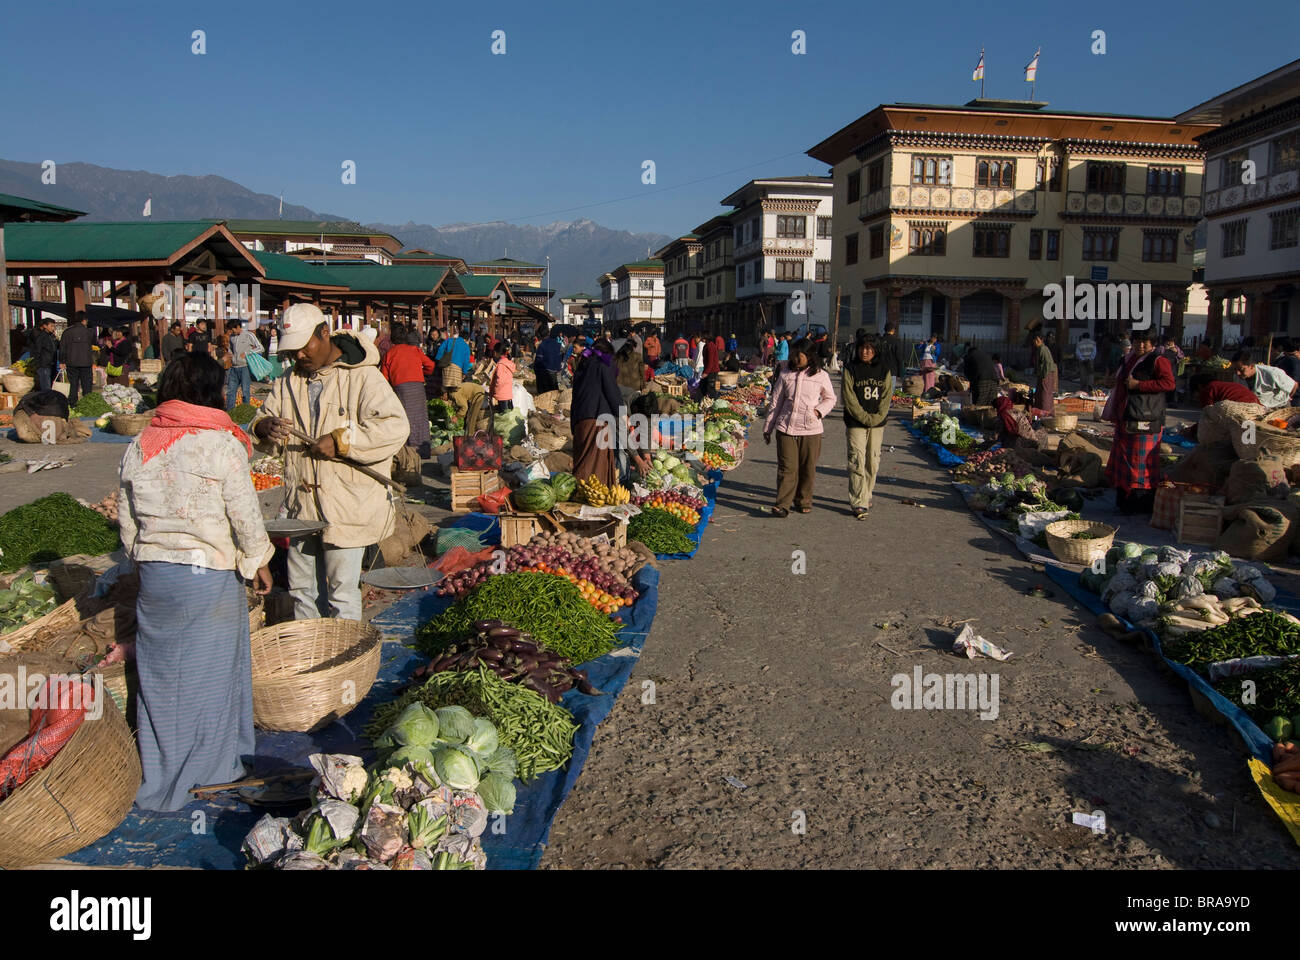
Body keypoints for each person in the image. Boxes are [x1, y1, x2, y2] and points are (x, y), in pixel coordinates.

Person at [118, 352, 273, 811]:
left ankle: (164, 770)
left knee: (162, 681)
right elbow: (244, 514)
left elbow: (128, 524)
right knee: (210, 677)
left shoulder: (140, 442)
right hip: (206, 578)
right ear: (212, 391)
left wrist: (143, 562)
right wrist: (259, 560)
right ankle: (213, 770)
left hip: (156, 579)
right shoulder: (220, 442)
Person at [250, 304, 408, 621]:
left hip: (346, 504)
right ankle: (311, 654)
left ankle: (344, 659)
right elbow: (261, 420)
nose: (298, 356)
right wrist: (263, 427)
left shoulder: (364, 377)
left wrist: (341, 441)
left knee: (341, 592)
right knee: (301, 590)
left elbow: (394, 427)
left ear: (324, 333)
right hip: (302, 504)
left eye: (303, 346)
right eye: (291, 350)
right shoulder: (287, 382)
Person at [1103, 329, 1175, 515]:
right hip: (1126, 416)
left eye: (1145, 342)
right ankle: (1124, 501)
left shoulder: (1158, 360)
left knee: (1140, 462)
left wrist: (1140, 385)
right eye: (1137, 341)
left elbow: (1169, 383)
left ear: (1153, 344)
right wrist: (1112, 382)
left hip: (1145, 418)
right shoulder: (1127, 359)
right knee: (1125, 460)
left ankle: (1139, 504)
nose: (1140, 345)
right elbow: (1122, 382)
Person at [763, 338, 835, 517]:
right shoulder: (785, 373)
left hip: (811, 429)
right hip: (785, 427)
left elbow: (830, 398)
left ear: (809, 356)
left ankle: (803, 500)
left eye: (799, 356)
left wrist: (818, 412)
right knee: (787, 467)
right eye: (793, 355)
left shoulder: (821, 375)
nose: (795, 359)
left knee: (807, 467)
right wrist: (768, 427)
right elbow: (776, 401)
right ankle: (783, 504)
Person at [843, 331, 893, 520]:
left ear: (875, 350)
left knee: (872, 461)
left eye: (869, 348)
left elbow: (887, 395)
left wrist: (878, 416)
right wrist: (864, 417)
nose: (865, 351)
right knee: (857, 459)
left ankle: (867, 494)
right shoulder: (850, 369)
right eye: (863, 348)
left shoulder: (884, 369)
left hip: (878, 423)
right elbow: (849, 398)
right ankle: (858, 501)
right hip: (856, 422)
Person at [570, 338, 622, 487]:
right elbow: (612, 391)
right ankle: (584, 493)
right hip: (597, 420)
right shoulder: (603, 364)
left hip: (581, 420)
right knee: (594, 465)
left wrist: (573, 424)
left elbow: (575, 395)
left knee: (582, 459)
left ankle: (579, 490)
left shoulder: (583, 365)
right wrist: (623, 414)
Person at [380, 325, 437, 458]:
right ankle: (422, 451)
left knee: (405, 419)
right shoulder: (414, 350)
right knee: (420, 418)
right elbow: (431, 365)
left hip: (401, 389)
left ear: (392, 338)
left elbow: (384, 377)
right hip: (418, 386)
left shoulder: (390, 353)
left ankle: (408, 452)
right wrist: (420, 372)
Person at [1231, 351, 1297, 410]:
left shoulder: (1272, 373)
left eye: (1241, 369)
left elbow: (1294, 385)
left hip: (1279, 407)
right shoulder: (1237, 377)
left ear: (1251, 366)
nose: (1237, 373)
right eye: (1234, 369)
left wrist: (1287, 398)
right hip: (1259, 409)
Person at [225, 318, 264, 410]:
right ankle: (230, 411)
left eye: (233, 329)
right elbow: (231, 348)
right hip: (234, 367)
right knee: (231, 391)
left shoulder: (249, 335)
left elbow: (260, 348)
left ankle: (246, 411)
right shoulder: (232, 337)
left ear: (238, 327)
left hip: (245, 367)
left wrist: (247, 353)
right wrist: (230, 354)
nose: (231, 331)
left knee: (245, 391)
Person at [60, 312, 94, 404]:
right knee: (86, 385)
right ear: (84, 320)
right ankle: (87, 404)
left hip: (71, 363)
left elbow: (62, 348)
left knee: (73, 385)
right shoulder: (89, 332)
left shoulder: (67, 332)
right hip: (86, 363)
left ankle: (72, 404)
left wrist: (62, 361)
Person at [1189, 373, 1259, 408]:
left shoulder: (1207, 389)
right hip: (1258, 406)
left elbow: (1208, 416)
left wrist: (1191, 430)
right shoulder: (1222, 385)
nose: (1196, 396)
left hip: (1242, 408)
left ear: (1199, 386)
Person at [435, 325, 473, 390]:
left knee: (445, 388)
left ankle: (445, 398)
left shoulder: (449, 340)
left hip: (446, 366)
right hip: (458, 369)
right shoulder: (466, 346)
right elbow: (466, 361)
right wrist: (464, 372)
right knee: (455, 390)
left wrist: (438, 360)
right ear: (467, 339)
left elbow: (440, 350)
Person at [1031, 331, 1057, 415]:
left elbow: (1047, 364)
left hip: (1047, 374)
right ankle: (1038, 411)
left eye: (1037, 340)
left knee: (1045, 394)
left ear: (1041, 340)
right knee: (1039, 393)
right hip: (1042, 374)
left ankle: (1046, 413)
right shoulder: (1039, 349)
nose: (1035, 342)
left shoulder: (1043, 349)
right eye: (1035, 340)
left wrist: (1044, 376)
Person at [30, 317, 58, 392]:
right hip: (43, 365)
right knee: (46, 387)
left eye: (53, 326)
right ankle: (46, 402)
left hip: (50, 364)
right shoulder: (41, 337)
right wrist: (38, 364)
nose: (53, 328)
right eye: (51, 326)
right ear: (45, 326)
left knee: (49, 385)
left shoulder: (50, 337)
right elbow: (37, 351)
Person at [533, 329, 564, 394]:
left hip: (544, 373)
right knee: (554, 393)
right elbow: (560, 358)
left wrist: (536, 370)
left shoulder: (542, 345)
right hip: (554, 372)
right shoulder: (558, 345)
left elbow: (538, 360)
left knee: (544, 394)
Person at [489, 341, 516, 414]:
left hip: (501, 396)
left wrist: (493, 392)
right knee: (507, 417)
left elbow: (499, 381)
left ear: (495, 352)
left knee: (503, 418)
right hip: (508, 394)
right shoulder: (508, 363)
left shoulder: (501, 365)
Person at [700, 334, 721, 398]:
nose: (701, 338)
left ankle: (712, 402)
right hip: (708, 370)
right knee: (704, 387)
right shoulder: (706, 346)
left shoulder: (710, 346)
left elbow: (710, 361)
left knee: (711, 388)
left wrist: (706, 372)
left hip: (712, 371)